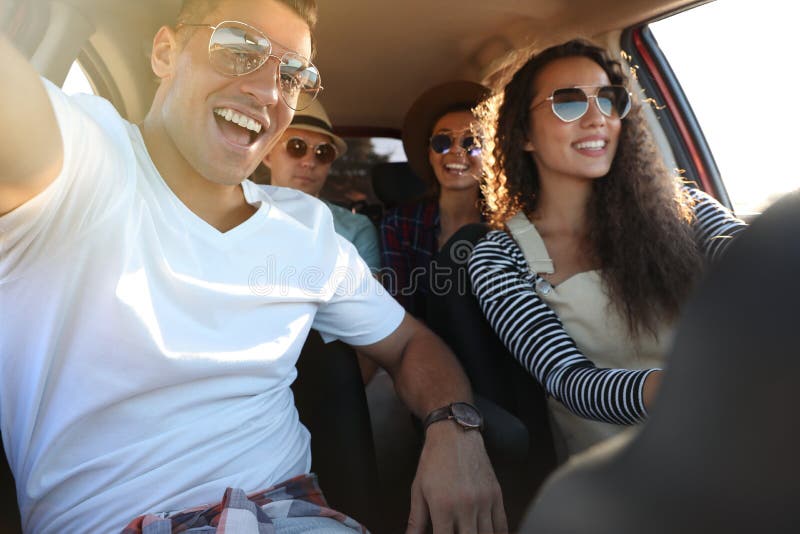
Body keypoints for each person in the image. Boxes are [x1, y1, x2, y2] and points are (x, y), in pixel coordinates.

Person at [0, 1, 505, 532]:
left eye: (293, 75)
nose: (268, 91)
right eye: (239, 49)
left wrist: (453, 427)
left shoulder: (310, 231)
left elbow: (407, 344)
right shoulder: (82, 158)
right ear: (166, 52)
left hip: (295, 512)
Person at [466, 39, 747, 456]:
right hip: (620, 474)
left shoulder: (686, 212)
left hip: (739, 432)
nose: (597, 118)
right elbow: (569, 381)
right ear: (524, 133)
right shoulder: (498, 257)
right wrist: (688, 386)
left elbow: (756, 259)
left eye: (609, 100)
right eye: (568, 103)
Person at [380, 81, 488, 319]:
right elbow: (399, 314)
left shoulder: (511, 225)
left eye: (473, 142)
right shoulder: (400, 224)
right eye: (442, 142)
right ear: (429, 153)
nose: (456, 151)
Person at [262, 99, 381, 273]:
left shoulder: (356, 228)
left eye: (323, 152)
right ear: (267, 155)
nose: (309, 162)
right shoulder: (235, 215)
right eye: (296, 147)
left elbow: (367, 296)